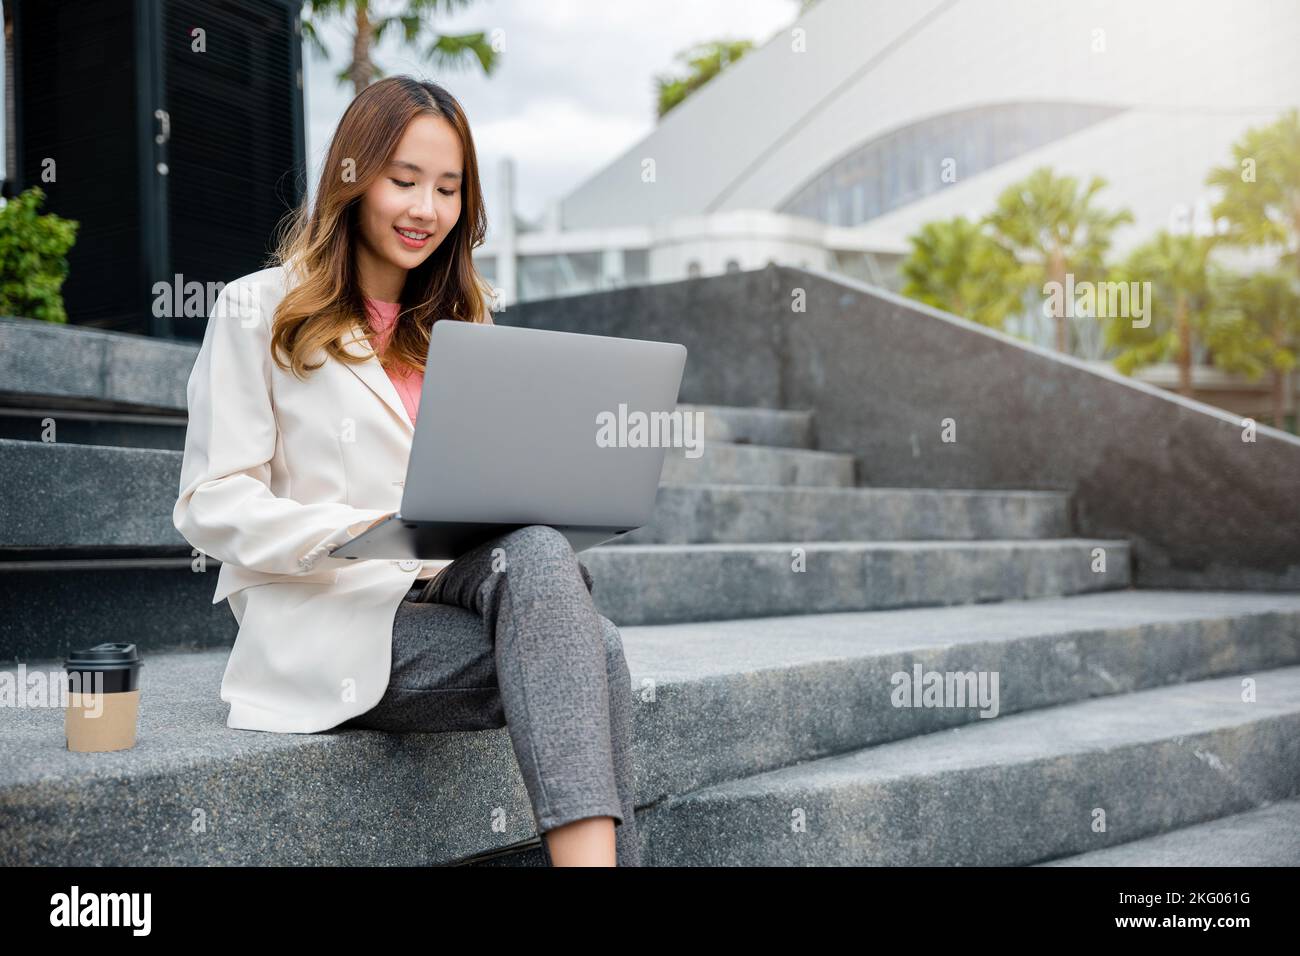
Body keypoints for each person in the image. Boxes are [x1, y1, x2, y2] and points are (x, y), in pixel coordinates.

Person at [172, 76, 639, 867]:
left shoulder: (465, 325)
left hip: (453, 581)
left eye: (449, 189)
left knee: (538, 552)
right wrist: (354, 528)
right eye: (405, 181)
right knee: (595, 651)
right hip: (330, 611)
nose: (427, 209)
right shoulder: (259, 308)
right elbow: (209, 503)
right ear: (353, 179)